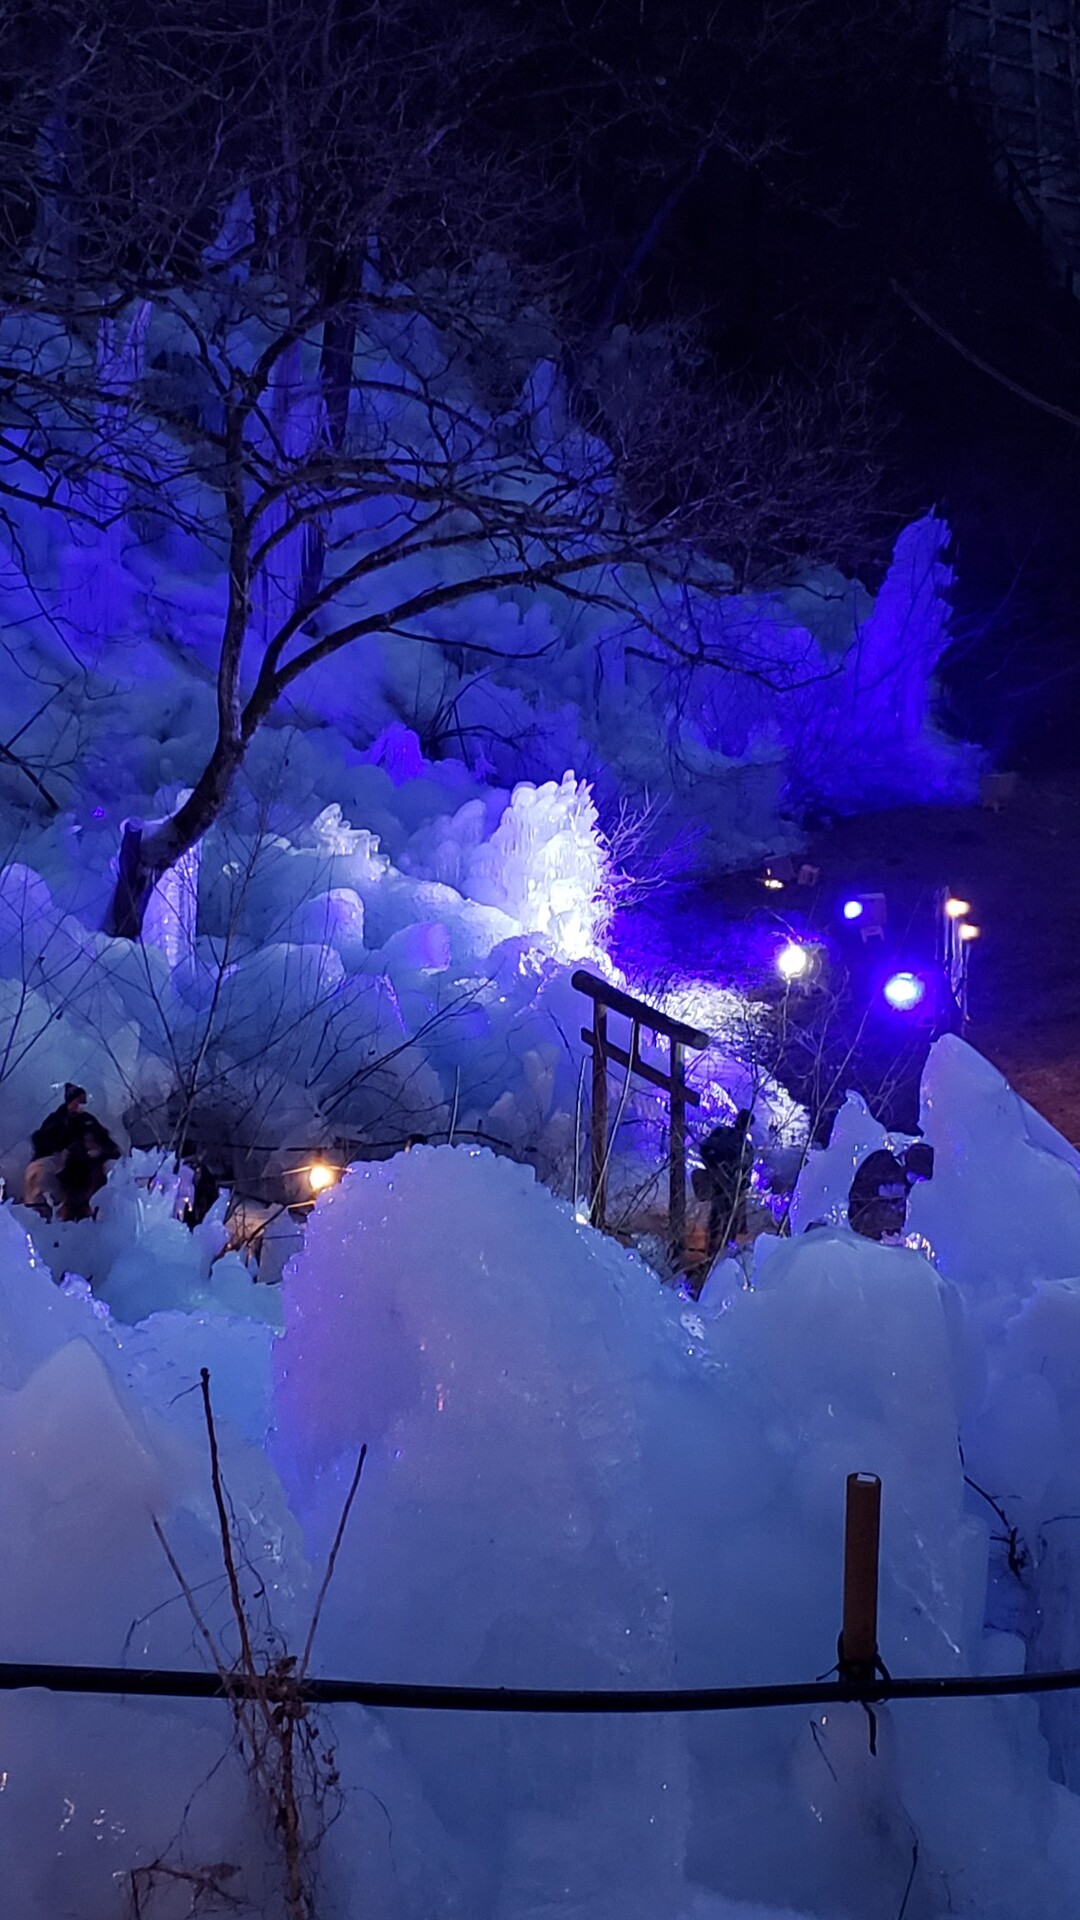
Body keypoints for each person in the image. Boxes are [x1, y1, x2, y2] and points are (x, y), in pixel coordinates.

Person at [27, 1083, 120, 1221]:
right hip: (61, 1161)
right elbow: (42, 1140)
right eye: (79, 1100)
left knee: (103, 1171)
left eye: (84, 1100)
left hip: (87, 1162)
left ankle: (102, 1211)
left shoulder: (88, 1120)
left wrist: (104, 1150)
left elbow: (104, 1140)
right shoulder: (57, 1119)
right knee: (41, 1173)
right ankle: (45, 1213)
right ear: (71, 1101)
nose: (82, 1103)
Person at [847, 1140, 934, 1243]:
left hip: (880, 1235)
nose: (916, 1180)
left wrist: (894, 1233)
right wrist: (881, 1192)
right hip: (861, 1224)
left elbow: (898, 1212)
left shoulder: (903, 1185)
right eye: (917, 1176)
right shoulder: (882, 1162)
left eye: (920, 1179)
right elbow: (858, 1192)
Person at [699, 1108, 754, 1259]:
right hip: (720, 1186)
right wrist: (714, 1166)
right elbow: (704, 1150)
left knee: (728, 1223)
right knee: (718, 1219)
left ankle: (722, 1255)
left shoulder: (746, 1146)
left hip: (732, 1189)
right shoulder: (722, 1134)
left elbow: (746, 1174)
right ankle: (712, 1254)